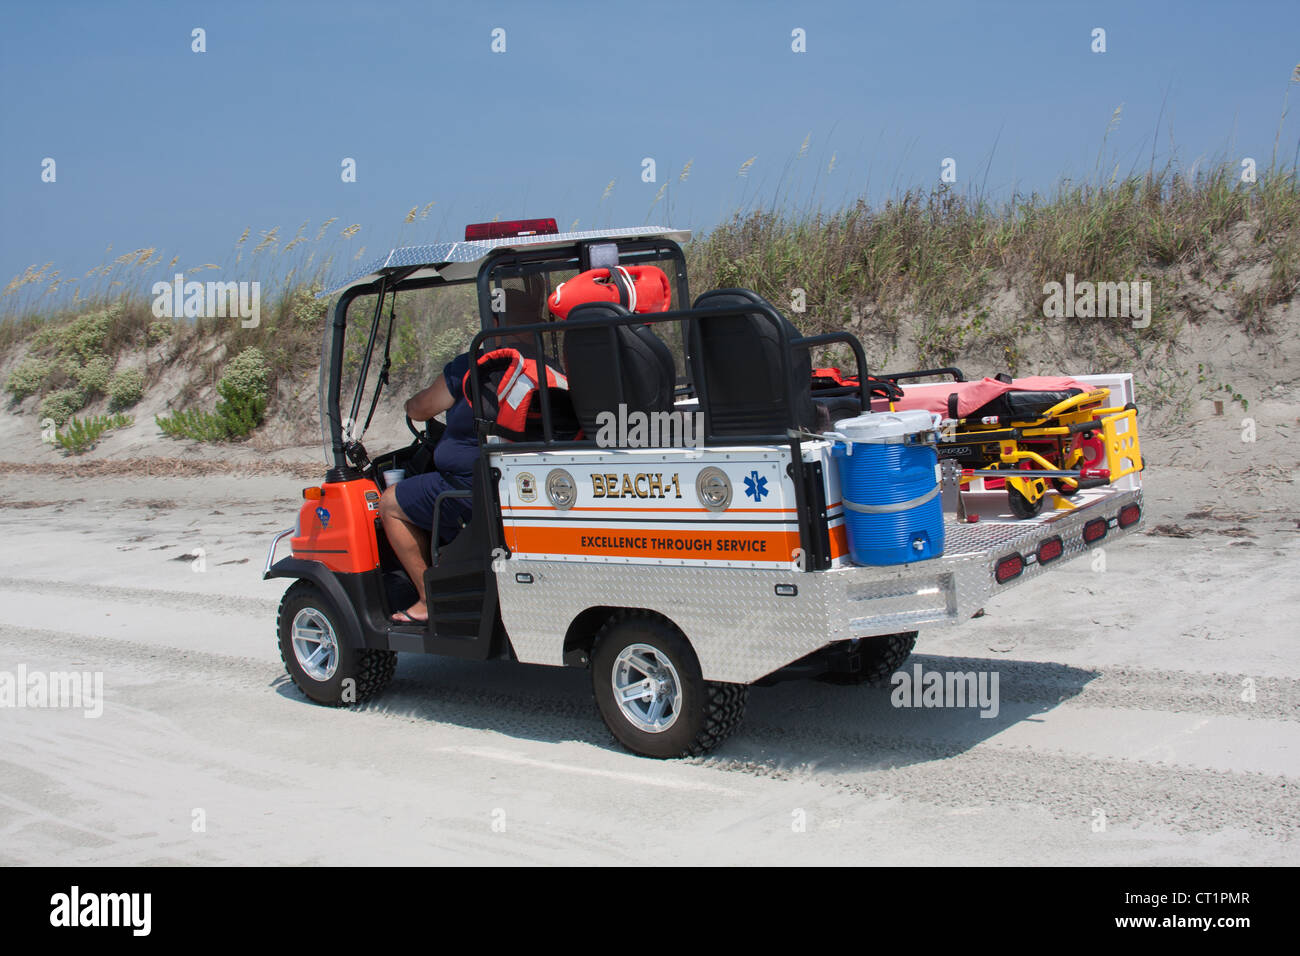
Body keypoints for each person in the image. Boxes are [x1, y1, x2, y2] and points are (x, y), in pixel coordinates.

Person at [378, 279, 547, 624]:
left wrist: (410, 403)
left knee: (391, 502)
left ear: (496, 322)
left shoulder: (476, 365)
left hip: (473, 490)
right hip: (523, 483)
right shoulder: (547, 363)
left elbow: (422, 408)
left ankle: (427, 599)